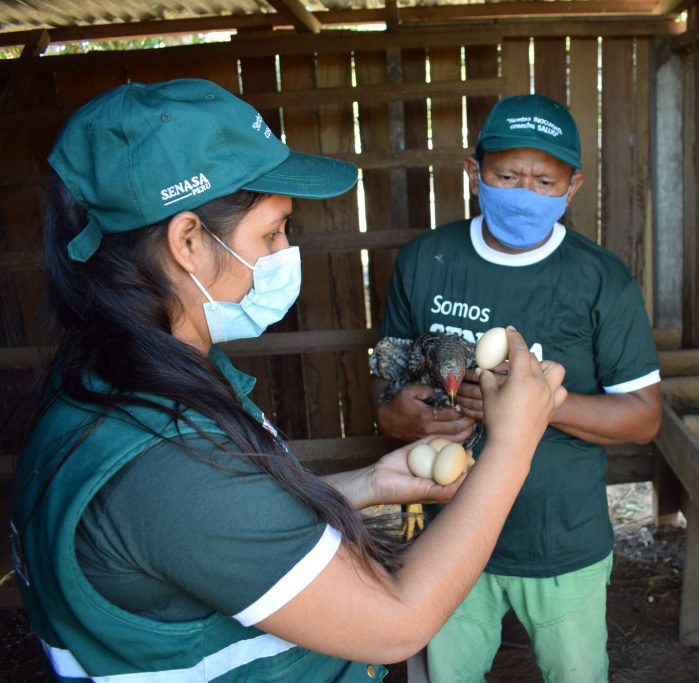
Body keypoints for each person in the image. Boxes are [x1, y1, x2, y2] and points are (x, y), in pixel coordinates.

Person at [10, 78, 567, 682]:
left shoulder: (112, 386)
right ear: (189, 242)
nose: (285, 250)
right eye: (273, 232)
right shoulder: (166, 459)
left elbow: (219, 533)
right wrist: (512, 447)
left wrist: (363, 484)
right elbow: (394, 626)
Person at [370, 94, 663, 682]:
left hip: (561, 540)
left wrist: (540, 406)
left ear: (572, 185)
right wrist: (409, 417)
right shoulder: (428, 259)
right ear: (474, 171)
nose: (524, 191)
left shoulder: (598, 278)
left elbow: (642, 417)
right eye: (507, 175)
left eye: (544, 180)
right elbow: (388, 396)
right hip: (448, 536)